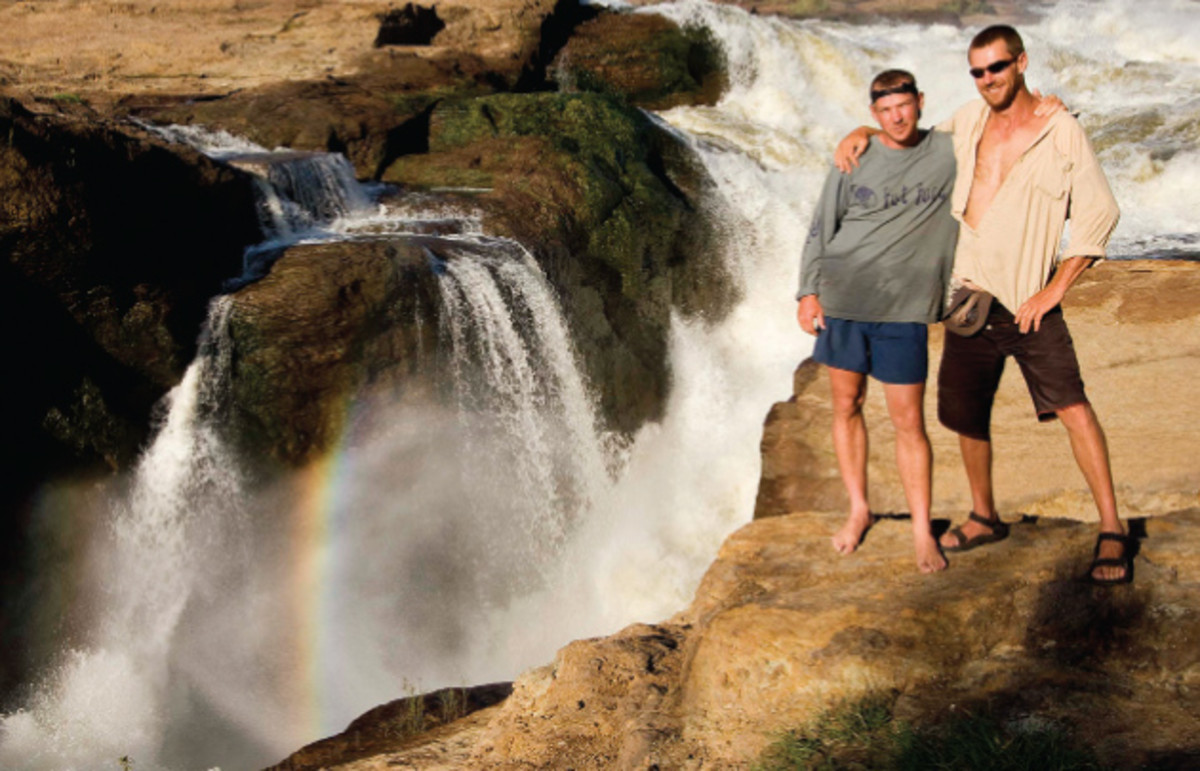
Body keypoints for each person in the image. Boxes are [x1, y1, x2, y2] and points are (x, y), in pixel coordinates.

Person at [836, 26, 1131, 584]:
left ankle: (1112, 527)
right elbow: (912, 143)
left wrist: (1056, 289)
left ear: (1020, 62)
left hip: (1027, 301)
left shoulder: (1059, 130)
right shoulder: (968, 121)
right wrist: (861, 130)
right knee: (967, 414)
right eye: (977, 71)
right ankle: (984, 515)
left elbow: (1100, 213)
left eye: (996, 67)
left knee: (1073, 407)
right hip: (968, 299)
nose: (987, 80)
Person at [797, 69, 956, 574]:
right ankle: (858, 509)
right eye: (885, 111)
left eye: (905, 105)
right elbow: (822, 227)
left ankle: (920, 528)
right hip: (843, 302)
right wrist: (807, 291)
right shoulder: (854, 157)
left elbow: (1003, 128)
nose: (898, 116)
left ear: (921, 102)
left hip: (903, 310)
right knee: (846, 405)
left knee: (909, 421)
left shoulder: (950, 152)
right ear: (873, 115)